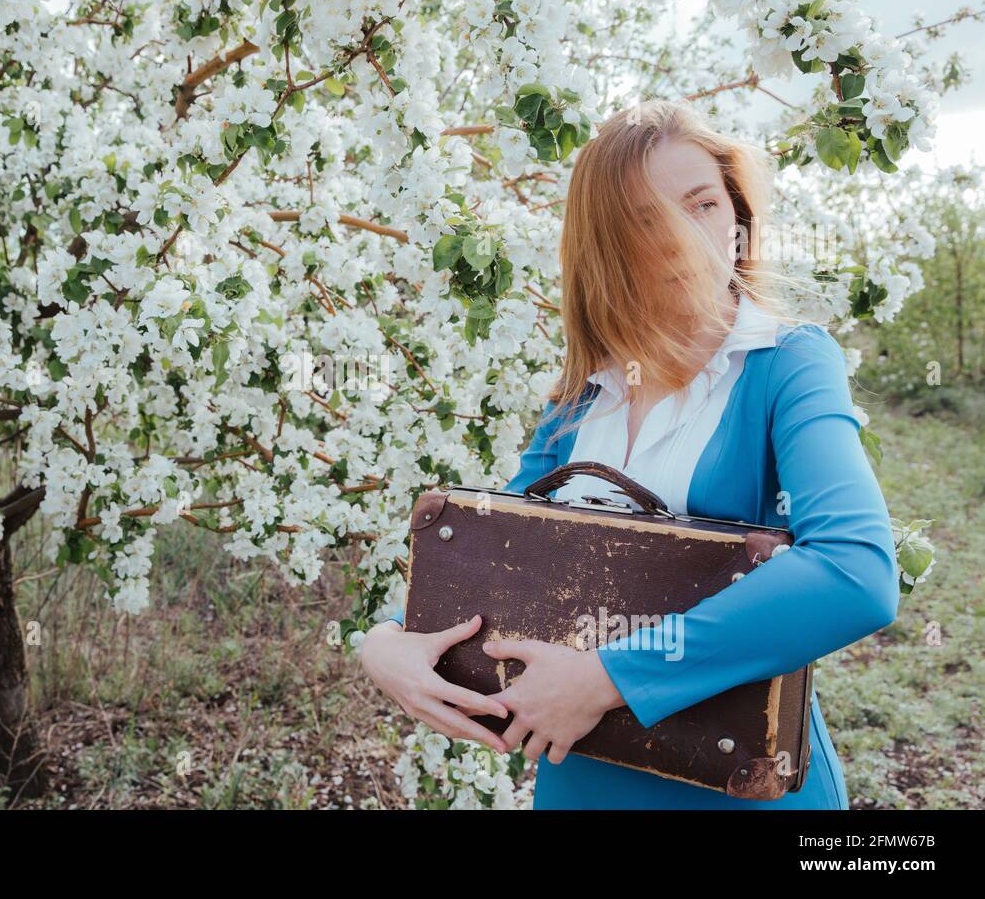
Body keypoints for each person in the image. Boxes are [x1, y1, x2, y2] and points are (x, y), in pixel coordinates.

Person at [359, 99, 901, 809]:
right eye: (646, 221)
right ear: (606, 247)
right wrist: (387, 643)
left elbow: (855, 571)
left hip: (738, 779)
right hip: (582, 773)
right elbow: (499, 564)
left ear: (738, 221)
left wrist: (606, 676)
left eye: (702, 204)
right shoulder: (581, 398)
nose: (683, 238)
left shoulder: (788, 363)